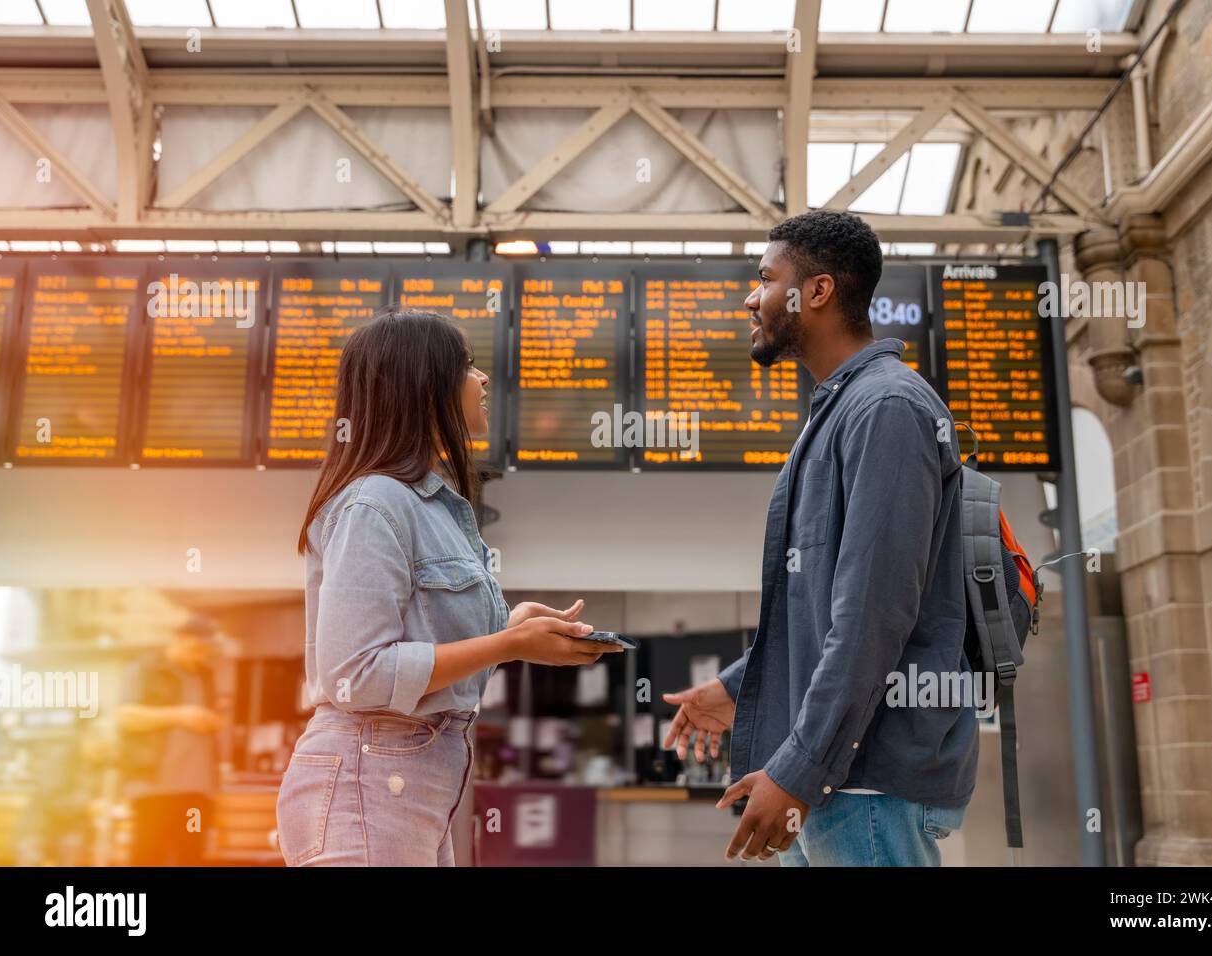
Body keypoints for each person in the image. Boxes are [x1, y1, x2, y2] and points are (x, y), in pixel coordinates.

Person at [663, 210, 977, 866]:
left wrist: (800, 767)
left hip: (866, 783)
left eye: (765, 279)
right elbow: (823, 616)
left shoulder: (887, 410)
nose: (752, 297)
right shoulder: (843, 413)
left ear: (818, 291)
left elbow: (872, 618)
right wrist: (734, 687)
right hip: (840, 782)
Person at [275, 308, 619, 867]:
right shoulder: (375, 503)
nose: (483, 380)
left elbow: (426, 650)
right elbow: (356, 675)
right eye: (468, 366)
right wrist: (508, 646)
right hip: (366, 786)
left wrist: (513, 628)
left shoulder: (429, 503)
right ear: (423, 383)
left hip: (412, 788)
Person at [117, 615, 223, 866]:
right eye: (196, 648)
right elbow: (125, 717)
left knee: (191, 859)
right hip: (155, 787)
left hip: (198, 791)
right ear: (178, 640)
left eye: (206, 650)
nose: (201, 656)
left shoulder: (205, 675)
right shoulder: (145, 670)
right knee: (146, 859)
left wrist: (212, 722)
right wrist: (181, 715)